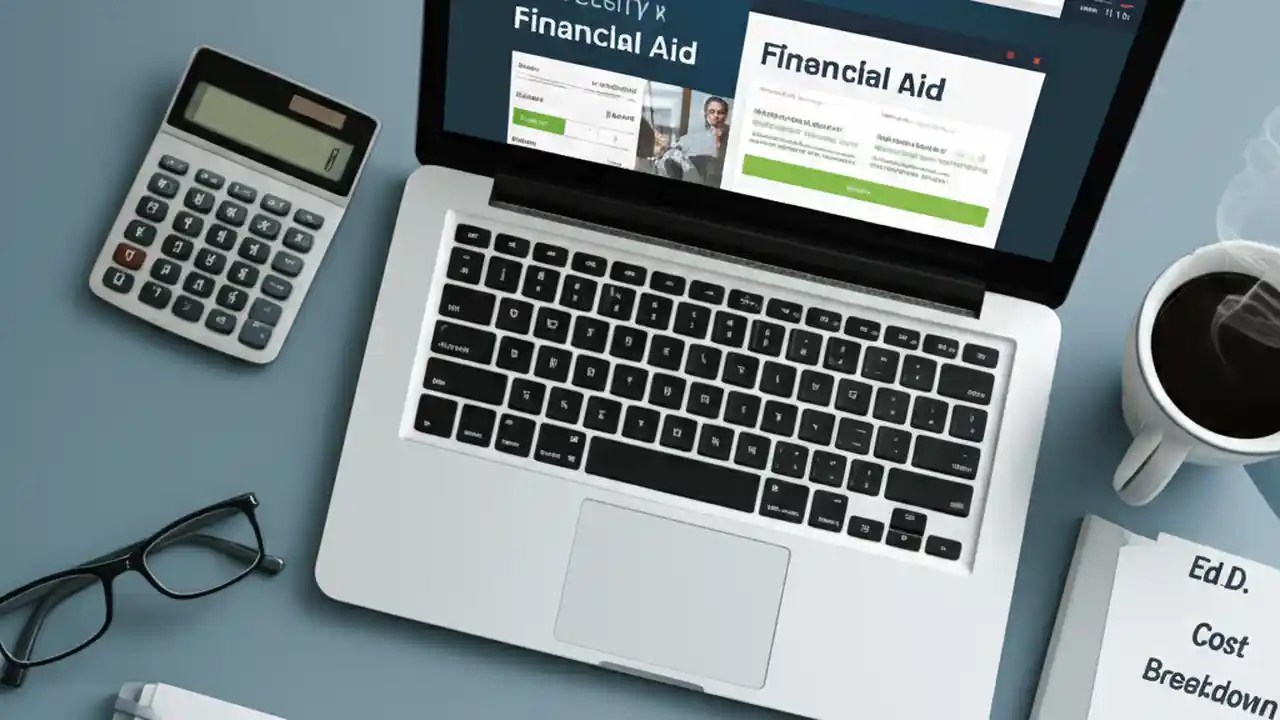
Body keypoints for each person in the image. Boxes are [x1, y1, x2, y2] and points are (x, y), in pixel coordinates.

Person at [673, 96, 730, 186]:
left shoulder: (732, 139)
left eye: (720, 112)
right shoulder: (691, 139)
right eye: (712, 112)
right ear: (705, 114)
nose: (716, 115)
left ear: (726, 116)